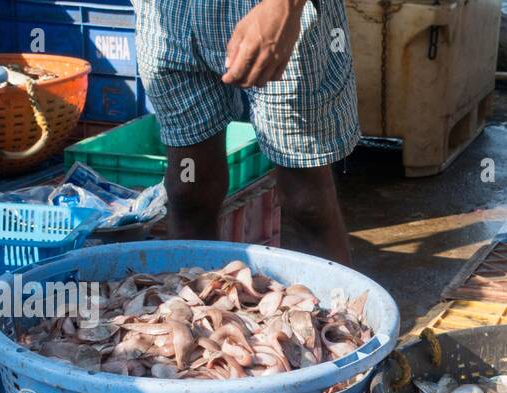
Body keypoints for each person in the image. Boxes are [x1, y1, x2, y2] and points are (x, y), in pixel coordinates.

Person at [133, 0, 358, 262]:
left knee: (306, 201)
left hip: (267, 10)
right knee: (188, 185)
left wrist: (283, 7)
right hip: (170, 19)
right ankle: (193, 295)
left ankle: (339, 301)